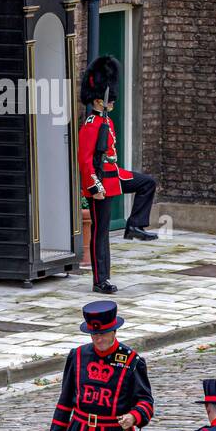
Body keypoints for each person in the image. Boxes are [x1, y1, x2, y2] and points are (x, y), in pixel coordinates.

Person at [78, 54, 158, 294]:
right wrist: (94, 187)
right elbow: (85, 161)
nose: (112, 103)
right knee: (100, 234)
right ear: (99, 101)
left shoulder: (107, 122)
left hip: (114, 175)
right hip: (101, 183)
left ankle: (134, 225)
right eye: (109, 99)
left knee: (147, 183)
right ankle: (100, 280)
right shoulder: (91, 125)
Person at [49, 300, 154, 431]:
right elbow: (65, 398)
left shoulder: (132, 361)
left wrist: (133, 416)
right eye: (94, 334)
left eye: (103, 334)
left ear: (114, 331)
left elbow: (146, 402)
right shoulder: (77, 356)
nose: (98, 339)